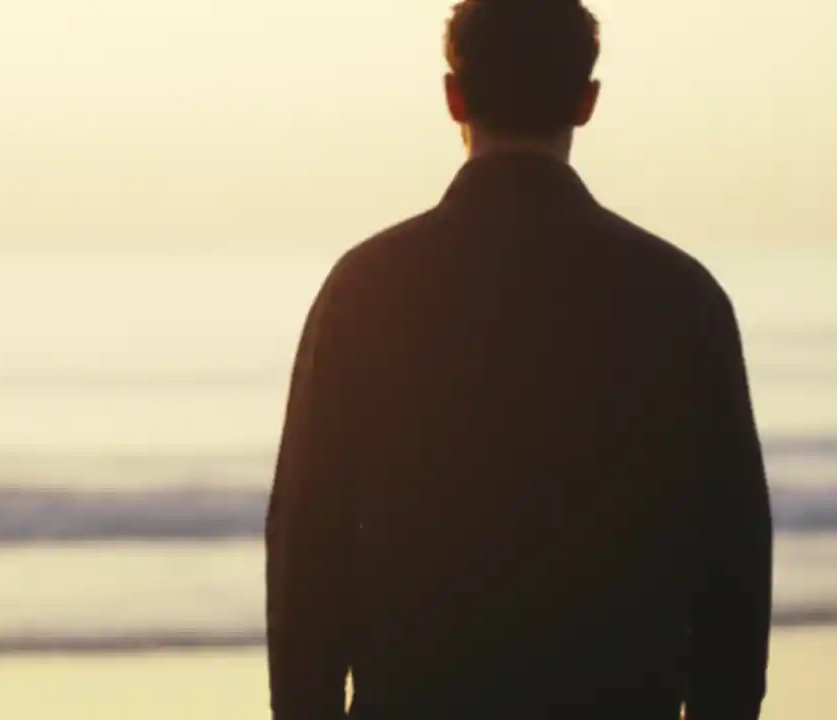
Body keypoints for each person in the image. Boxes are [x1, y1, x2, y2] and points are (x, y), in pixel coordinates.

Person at [266, 0, 772, 718]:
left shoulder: (368, 288)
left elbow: (307, 546)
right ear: (586, 101)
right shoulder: (681, 296)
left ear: (454, 97)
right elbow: (734, 556)